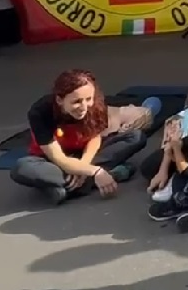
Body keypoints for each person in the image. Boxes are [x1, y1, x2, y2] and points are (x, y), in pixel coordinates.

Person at [9, 69, 145, 205]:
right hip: (52, 161)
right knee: (21, 167)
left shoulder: (96, 105)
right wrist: (95, 171)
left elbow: (95, 137)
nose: (84, 107)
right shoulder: (40, 112)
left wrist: (84, 166)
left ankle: (66, 189)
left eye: (88, 99)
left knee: (135, 136)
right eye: (76, 102)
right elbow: (59, 159)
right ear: (59, 100)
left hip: (84, 155)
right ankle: (109, 176)